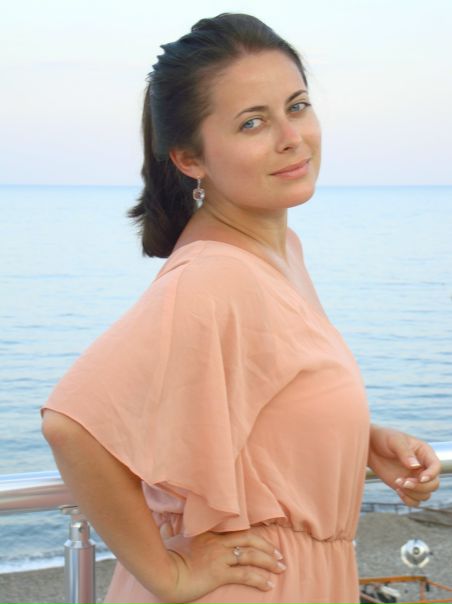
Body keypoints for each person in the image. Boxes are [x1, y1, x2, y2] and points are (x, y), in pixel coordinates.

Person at [41, 13, 441, 604]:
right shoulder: (216, 275)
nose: (290, 137)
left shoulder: (279, 254)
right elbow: (72, 425)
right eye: (252, 122)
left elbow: (252, 409)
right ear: (189, 158)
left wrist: (357, 438)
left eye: (297, 106)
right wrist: (168, 574)